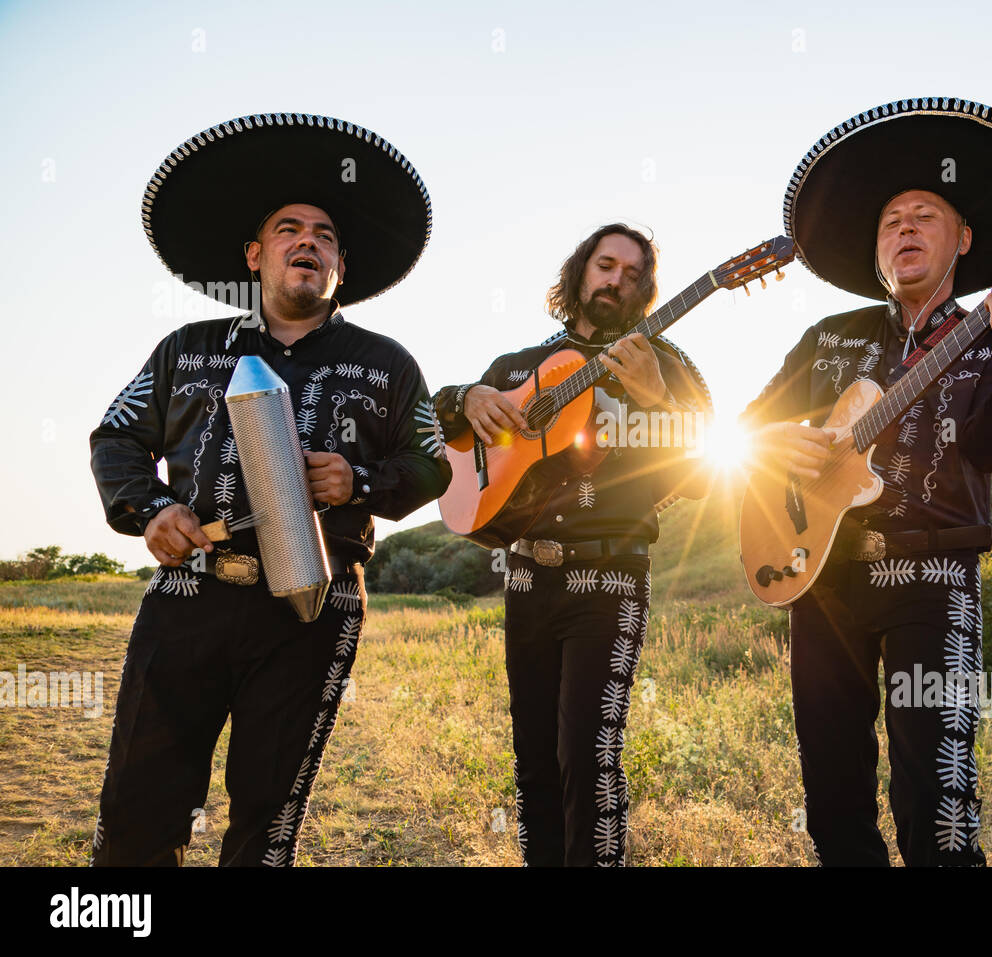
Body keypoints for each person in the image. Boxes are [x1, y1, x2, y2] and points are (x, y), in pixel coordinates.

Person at [89, 113, 450, 866]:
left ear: (340, 268)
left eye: (324, 235)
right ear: (256, 255)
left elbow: (434, 465)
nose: (308, 242)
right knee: (137, 807)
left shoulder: (386, 364)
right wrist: (152, 510)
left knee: (266, 823)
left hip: (312, 608)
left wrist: (361, 480)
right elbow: (115, 438)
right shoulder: (186, 349)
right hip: (187, 596)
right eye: (289, 229)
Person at [742, 97, 992, 865]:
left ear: (965, 239)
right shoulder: (828, 338)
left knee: (937, 796)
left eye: (926, 215)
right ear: (879, 253)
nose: (907, 229)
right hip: (820, 578)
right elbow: (748, 431)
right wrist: (773, 447)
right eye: (892, 223)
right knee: (832, 790)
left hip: (932, 573)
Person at [434, 224, 712, 866]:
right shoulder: (515, 368)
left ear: (645, 290)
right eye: (605, 264)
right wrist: (465, 397)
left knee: (588, 759)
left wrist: (656, 398)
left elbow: (702, 475)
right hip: (528, 578)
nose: (616, 279)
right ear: (581, 272)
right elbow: (434, 438)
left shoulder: (666, 364)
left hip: (611, 579)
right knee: (533, 758)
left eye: (632, 273)